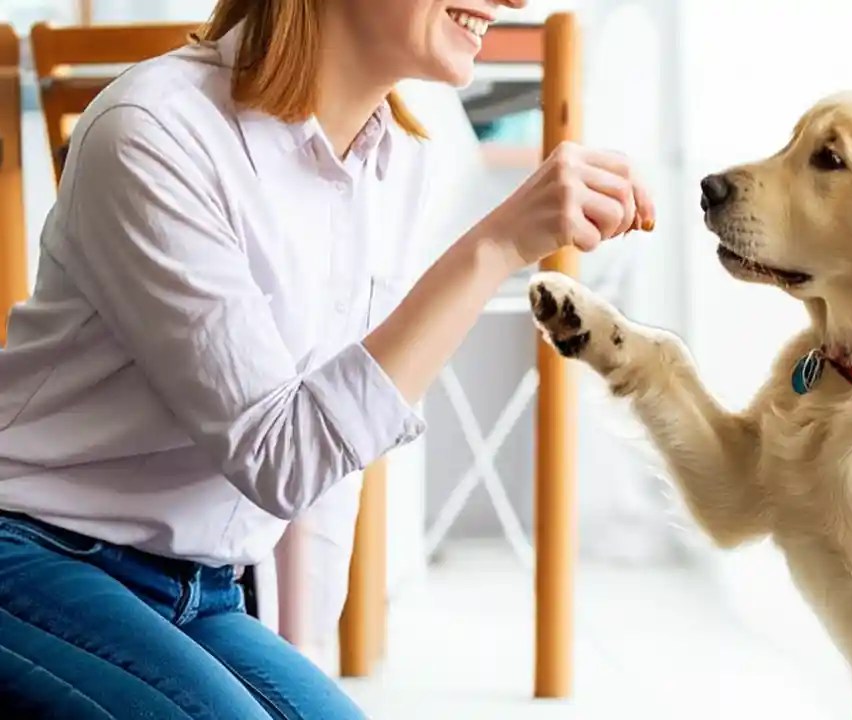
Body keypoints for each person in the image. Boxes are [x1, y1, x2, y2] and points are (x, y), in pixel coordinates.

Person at [0, 0, 653, 717]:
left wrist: (298, 663)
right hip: (33, 552)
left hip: (207, 589)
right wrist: (492, 247)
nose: (515, 2)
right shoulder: (152, 131)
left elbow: (326, 465)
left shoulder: (396, 162)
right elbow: (278, 453)